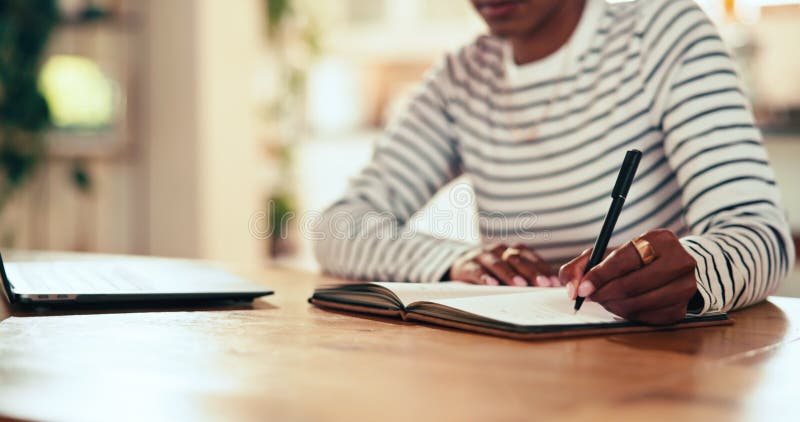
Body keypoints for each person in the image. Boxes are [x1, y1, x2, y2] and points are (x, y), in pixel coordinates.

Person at [312, 0, 794, 324]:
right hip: (526, 371)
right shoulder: (460, 80)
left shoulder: (664, 35)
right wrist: (451, 261)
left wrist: (695, 270)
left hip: (666, 371)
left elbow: (761, 233)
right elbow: (338, 226)